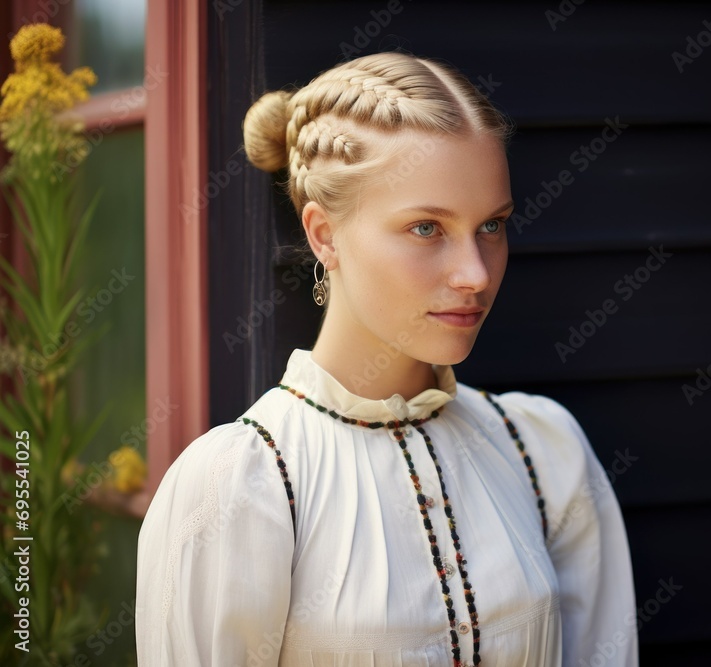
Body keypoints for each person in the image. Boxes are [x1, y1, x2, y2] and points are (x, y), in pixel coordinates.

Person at [136, 51, 638, 667]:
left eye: (492, 226)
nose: (475, 275)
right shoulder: (239, 486)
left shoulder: (542, 454)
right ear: (323, 234)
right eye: (427, 228)